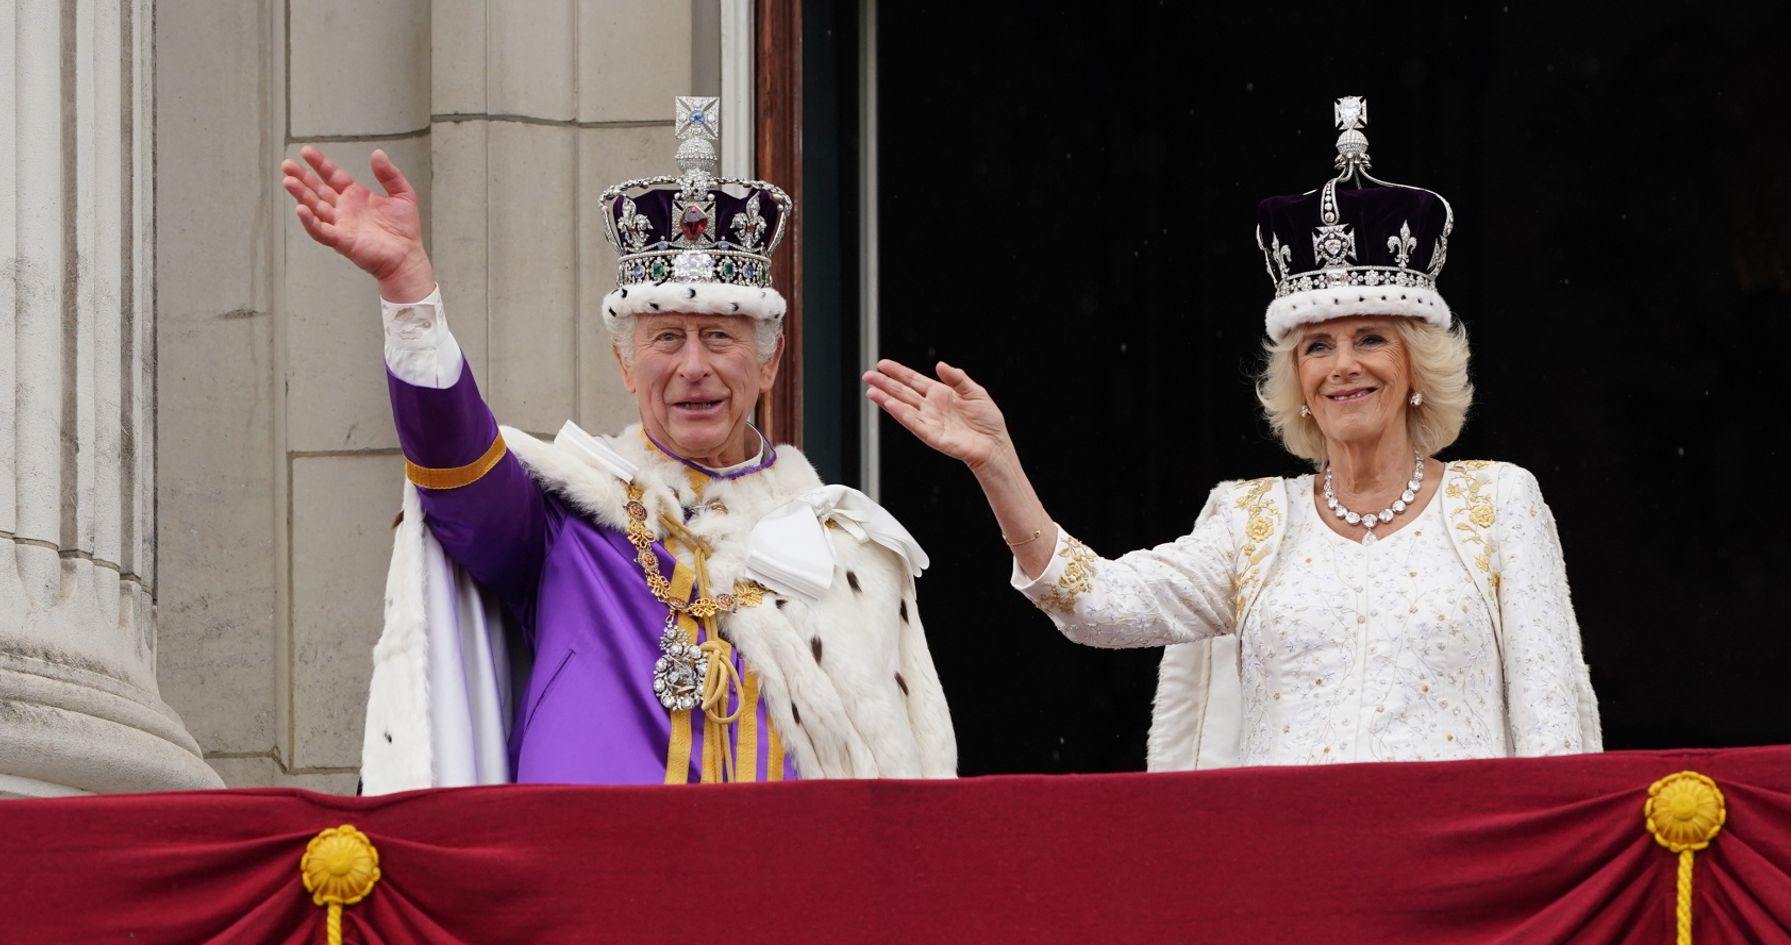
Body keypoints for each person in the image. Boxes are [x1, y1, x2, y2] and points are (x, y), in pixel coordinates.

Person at [865, 96, 1597, 769]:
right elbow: (1094, 605)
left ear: (1416, 367)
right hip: (1287, 858)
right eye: (1318, 346)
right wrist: (996, 462)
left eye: (1371, 338)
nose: (1343, 366)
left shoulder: (1498, 504)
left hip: (1454, 858)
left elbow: (1553, 726)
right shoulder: (1251, 523)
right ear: (1299, 382)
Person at [281, 96, 955, 791]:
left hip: (785, 860)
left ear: (769, 363)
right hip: (585, 857)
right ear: (626, 365)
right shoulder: (567, 520)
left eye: (718, 336)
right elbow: (457, 469)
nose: (693, 366)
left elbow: (905, 789)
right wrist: (409, 294)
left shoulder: (847, 552)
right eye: (666, 338)